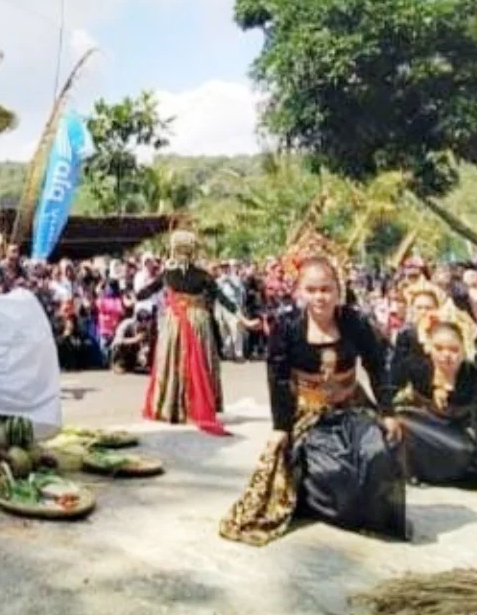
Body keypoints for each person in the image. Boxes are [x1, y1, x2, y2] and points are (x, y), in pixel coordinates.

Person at [220, 256, 408, 546]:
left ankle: (373, 518)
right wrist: (281, 427)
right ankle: (313, 501)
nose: (320, 297)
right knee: (334, 471)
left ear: (338, 290)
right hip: (308, 415)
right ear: (299, 291)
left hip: (350, 408)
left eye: (326, 289)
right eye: (312, 289)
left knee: (376, 454)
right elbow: (278, 379)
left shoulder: (355, 322)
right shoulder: (286, 327)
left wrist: (387, 411)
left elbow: (375, 365)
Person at [135, 230, 256, 436]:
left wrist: (132, 297)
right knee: (199, 363)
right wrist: (243, 319)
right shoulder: (203, 275)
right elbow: (223, 299)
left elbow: (143, 293)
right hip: (198, 322)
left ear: (174, 249)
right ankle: (197, 406)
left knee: (174, 363)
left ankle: (173, 408)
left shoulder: (168, 274)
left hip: (176, 324)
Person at [396, 310, 477, 499]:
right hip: (427, 435)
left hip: (460, 442)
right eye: (439, 348)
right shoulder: (417, 368)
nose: (446, 355)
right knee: (398, 421)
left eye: (454, 349)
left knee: (465, 450)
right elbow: (387, 391)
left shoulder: (473, 379)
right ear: (429, 348)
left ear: (464, 350)